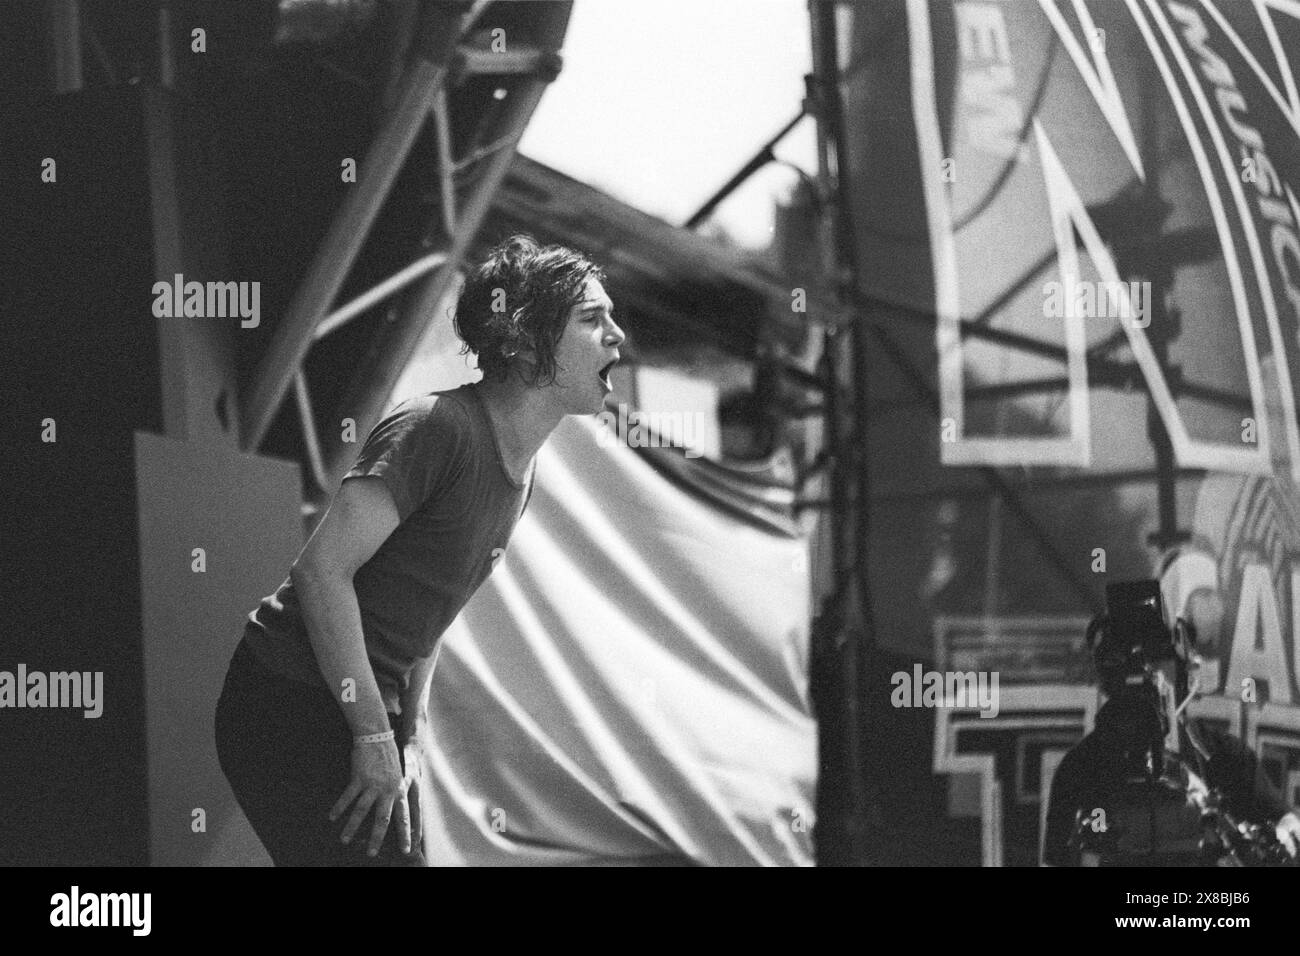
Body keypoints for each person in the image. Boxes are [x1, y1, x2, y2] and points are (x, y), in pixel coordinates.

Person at [215, 235, 624, 865]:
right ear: (522, 341)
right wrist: (372, 732)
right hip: (284, 701)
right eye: (592, 319)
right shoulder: (437, 428)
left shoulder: (523, 469)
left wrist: (411, 734)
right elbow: (322, 573)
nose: (617, 335)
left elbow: (432, 614)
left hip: (358, 711)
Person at [1043, 613, 1300, 867]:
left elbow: (1285, 824)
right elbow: (1055, 859)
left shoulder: (1224, 757)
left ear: (1183, 669)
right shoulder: (1079, 768)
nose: (1147, 674)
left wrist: (1278, 837)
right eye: (1131, 661)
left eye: (1156, 657)